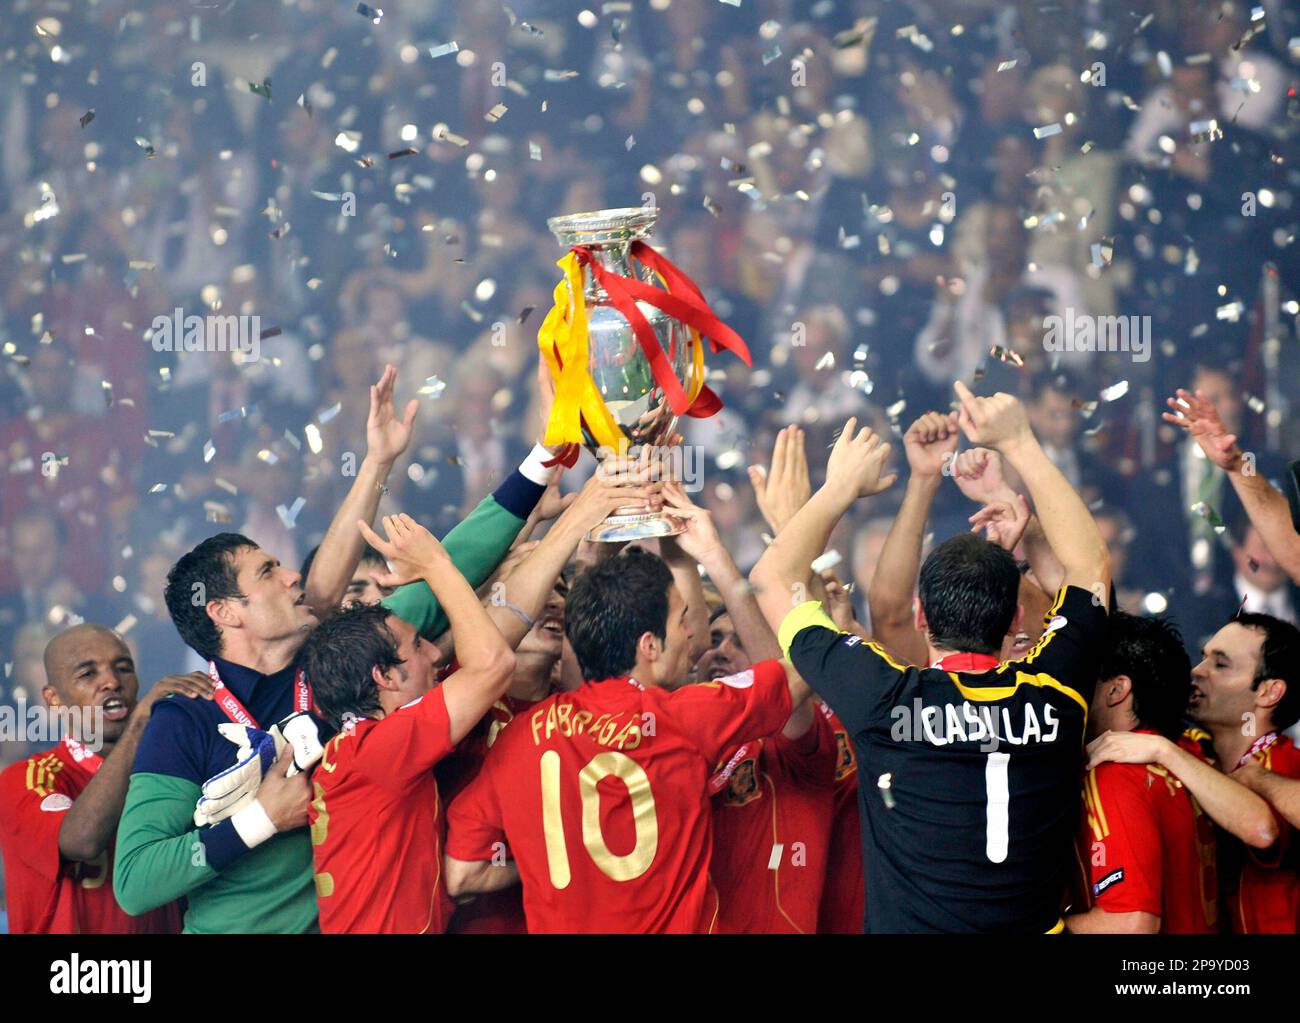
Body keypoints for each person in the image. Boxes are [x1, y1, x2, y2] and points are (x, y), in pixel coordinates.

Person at [752, 385, 1111, 933]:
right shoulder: (1058, 691)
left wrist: (838, 489)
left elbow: (772, 578)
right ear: (1017, 621)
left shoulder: (883, 696)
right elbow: (1091, 570)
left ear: (922, 616)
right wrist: (1020, 441)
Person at [444, 546, 813, 933]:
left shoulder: (520, 736)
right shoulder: (685, 716)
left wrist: (546, 858)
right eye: (681, 619)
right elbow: (801, 671)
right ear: (649, 645)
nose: (690, 632)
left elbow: (462, 874)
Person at [303, 515, 516, 933]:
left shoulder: (357, 749)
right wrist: (437, 566)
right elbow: (495, 664)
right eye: (418, 645)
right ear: (383, 676)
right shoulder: (382, 749)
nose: (436, 656)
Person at [1090, 612, 1300, 933]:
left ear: (1268, 692)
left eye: (1220, 664)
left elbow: (1262, 829)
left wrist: (1164, 750)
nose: (1197, 672)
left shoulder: (1285, 769)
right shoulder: (1195, 753)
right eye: (1203, 658)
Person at [0, 624, 208, 933]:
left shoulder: (167, 772)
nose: (111, 681)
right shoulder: (22, 779)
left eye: (123, 668)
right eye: (88, 674)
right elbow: (81, 841)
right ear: (53, 699)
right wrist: (139, 726)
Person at [1067, 614, 1219, 933]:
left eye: (1078, 668)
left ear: (1116, 690)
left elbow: (1130, 924)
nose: (1065, 679)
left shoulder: (1113, 774)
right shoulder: (1188, 760)